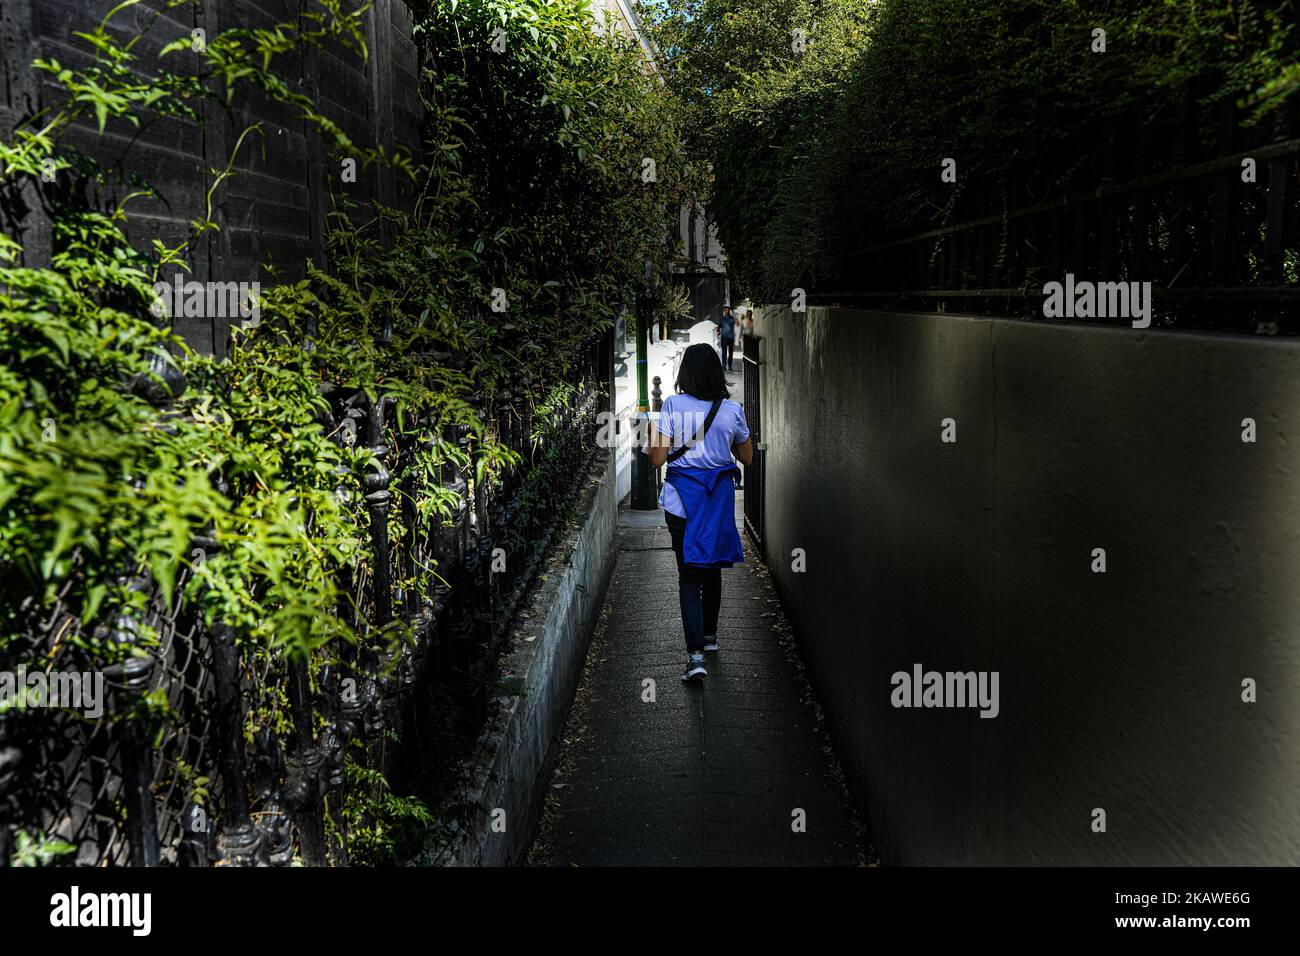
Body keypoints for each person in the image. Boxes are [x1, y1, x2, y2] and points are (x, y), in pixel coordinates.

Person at [646, 344, 753, 681]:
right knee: (713, 567)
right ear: (717, 373)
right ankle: (709, 638)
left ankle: (695, 658)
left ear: (685, 373)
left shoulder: (672, 406)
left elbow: (657, 459)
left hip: (682, 503)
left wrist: (657, 431)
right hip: (718, 503)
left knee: (688, 575)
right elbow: (747, 457)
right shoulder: (732, 410)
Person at [718, 305, 738, 372]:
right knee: (724, 352)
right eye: (726, 310)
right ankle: (724, 365)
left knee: (731, 352)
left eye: (728, 310)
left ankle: (730, 366)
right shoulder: (721, 319)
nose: (727, 311)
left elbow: (738, 324)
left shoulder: (732, 318)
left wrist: (734, 317)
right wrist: (718, 332)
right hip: (724, 338)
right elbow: (718, 327)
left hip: (731, 338)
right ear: (724, 311)